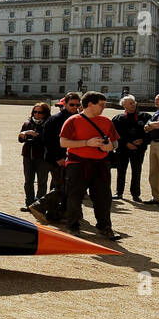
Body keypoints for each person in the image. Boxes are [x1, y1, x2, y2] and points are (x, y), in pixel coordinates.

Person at [50, 91, 121, 240]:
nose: (104, 108)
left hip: (100, 165)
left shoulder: (106, 121)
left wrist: (109, 147)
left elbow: (115, 142)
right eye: (101, 105)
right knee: (74, 197)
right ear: (90, 104)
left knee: (103, 197)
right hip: (78, 164)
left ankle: (104, 226)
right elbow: (63, 142)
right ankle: (73, 226)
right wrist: (87, 143)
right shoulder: (73, 121)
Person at [111, 95, 150, 203]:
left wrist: (143, 140)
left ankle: (136, 194)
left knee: (136, 171)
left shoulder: (145, 117)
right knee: (121, 171)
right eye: (130, 103)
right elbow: (114, 134)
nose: (133, 105)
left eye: (134, 102)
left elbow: (151, 133)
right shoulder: (118, 118)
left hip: (139, 149)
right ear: (124, 105)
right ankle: (119, 192)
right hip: (122, 149)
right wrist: (125, 143)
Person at [43, 92, 81, 193]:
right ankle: (43, 207)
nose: (75, 107)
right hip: (57, 158)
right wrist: (58, 158)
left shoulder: (81, 119)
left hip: (74, 157)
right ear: (65, 104)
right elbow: (48, 141)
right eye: (72, 104)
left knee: (71, 186)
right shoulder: (55, 119)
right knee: (58, 187)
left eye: (77, 105)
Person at [17, 103, 53, 211]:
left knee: (42, 182)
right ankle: (29, 203)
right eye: (35, 112)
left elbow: (50, 141)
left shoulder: (49, 124)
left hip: (42, 157)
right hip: (28, 156)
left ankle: (39, 206)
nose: (37, 114)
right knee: (28, 181)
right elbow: (20, 140)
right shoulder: (27, 123)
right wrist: (23, 134)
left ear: (45, 113)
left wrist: (38, 137)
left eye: (40, 112)